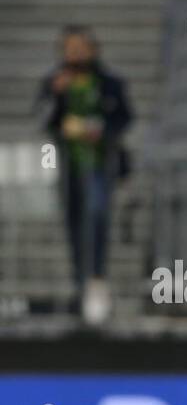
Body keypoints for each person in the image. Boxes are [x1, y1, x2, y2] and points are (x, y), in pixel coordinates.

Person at [36, 26, 133, 324]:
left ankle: (97, 277)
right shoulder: (55, 82)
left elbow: (124, 117)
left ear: (93, 49)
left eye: (81, 47)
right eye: (70, 47)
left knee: (97, 213)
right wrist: (55, 95)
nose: (75, 53)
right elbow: (43, 118)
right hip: (68, 166)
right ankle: (81, 282)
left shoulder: (108, 82)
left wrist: (101, 131)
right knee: (74, 221)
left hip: (100, 164)